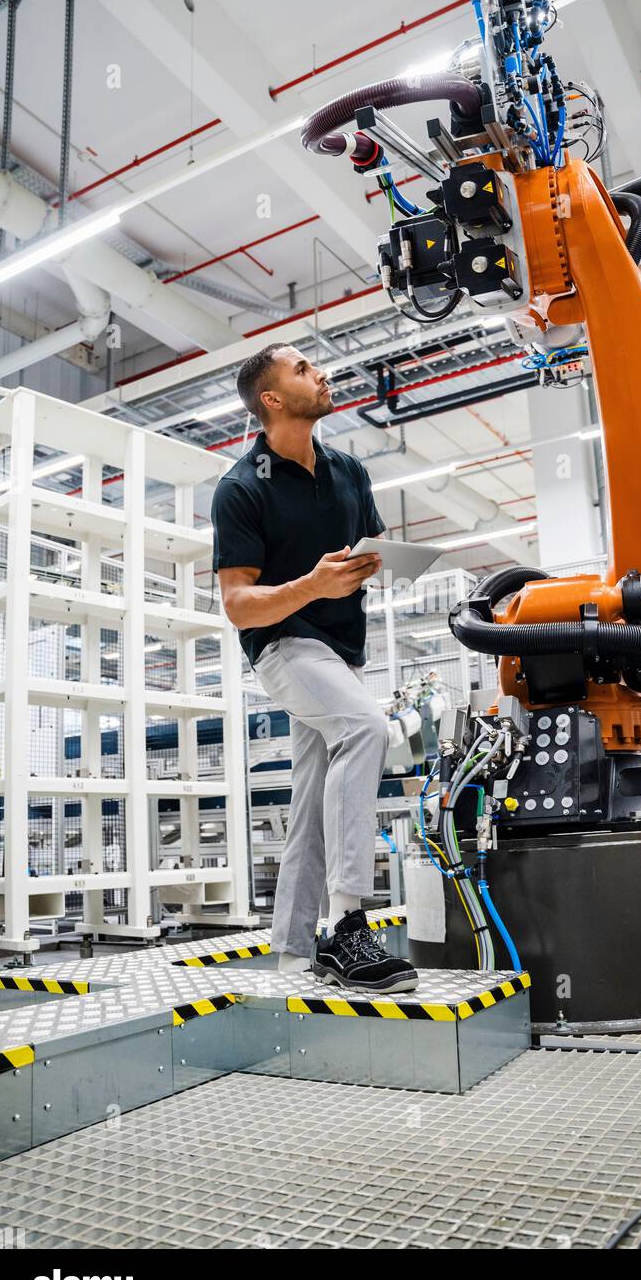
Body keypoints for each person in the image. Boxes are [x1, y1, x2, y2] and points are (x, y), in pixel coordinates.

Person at [211, 343, 419, 993]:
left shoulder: (350, 471)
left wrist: (376, 564)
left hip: (342, 652)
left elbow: (366, 546)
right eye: (302, 369)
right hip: (283, 647)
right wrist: (312, 587)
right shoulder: (242, 488)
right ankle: (349, 922)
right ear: (271, 400)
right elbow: (239, 604)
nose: (320, 372)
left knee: (311, 797)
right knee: (366, 729)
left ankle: (295, 954)